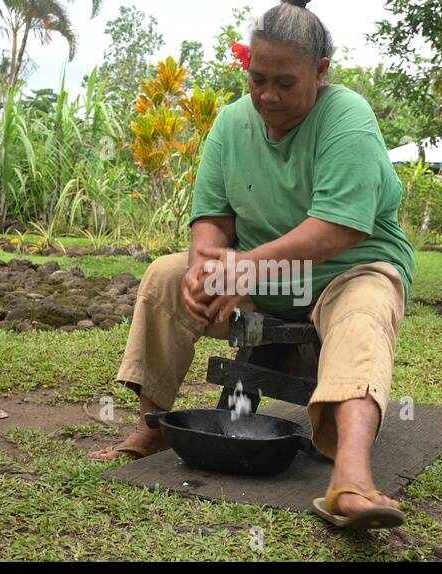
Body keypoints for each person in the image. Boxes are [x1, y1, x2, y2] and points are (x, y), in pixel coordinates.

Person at [91, 0, 417, 530]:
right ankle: (152, 428)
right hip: (268, 274)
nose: (267, 95)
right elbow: (212, 221)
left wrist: (242, 269)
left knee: (363, 315)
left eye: (285, 82)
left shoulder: (348, 119)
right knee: (166, 276)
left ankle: (351, 479)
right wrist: (204, 266)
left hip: (352, 268)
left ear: (321, 71)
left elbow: (337, 229)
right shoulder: (230, 123)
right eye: (257, 78)